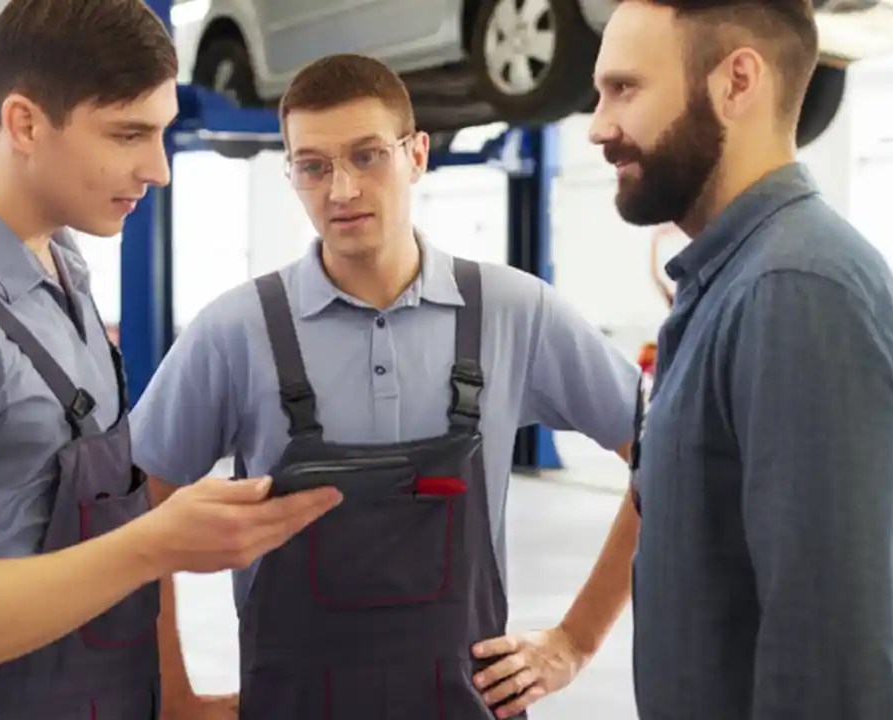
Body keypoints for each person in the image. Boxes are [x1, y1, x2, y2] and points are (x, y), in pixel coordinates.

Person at [0, 1, 341, 718]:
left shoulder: (61, 264)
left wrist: (173, 699)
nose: (157, 168)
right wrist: (155, 544)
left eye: (160, 133)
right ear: (26, 123)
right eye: (128, 134)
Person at [131, 53, 643, 719]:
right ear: (292, 174)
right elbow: (139, 502)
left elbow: (664, 452)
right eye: (313, 166)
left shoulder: (513, 313)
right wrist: (172, 695)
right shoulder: (236, 329)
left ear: (417, 154)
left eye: (367, 156)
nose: (341, 189)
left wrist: (575, 640)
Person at [589, 1, 893, 718]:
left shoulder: (794, 293)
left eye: (624, 89)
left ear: (737, 82)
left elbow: (831, 670)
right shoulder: (733, 283)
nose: (598, 125)